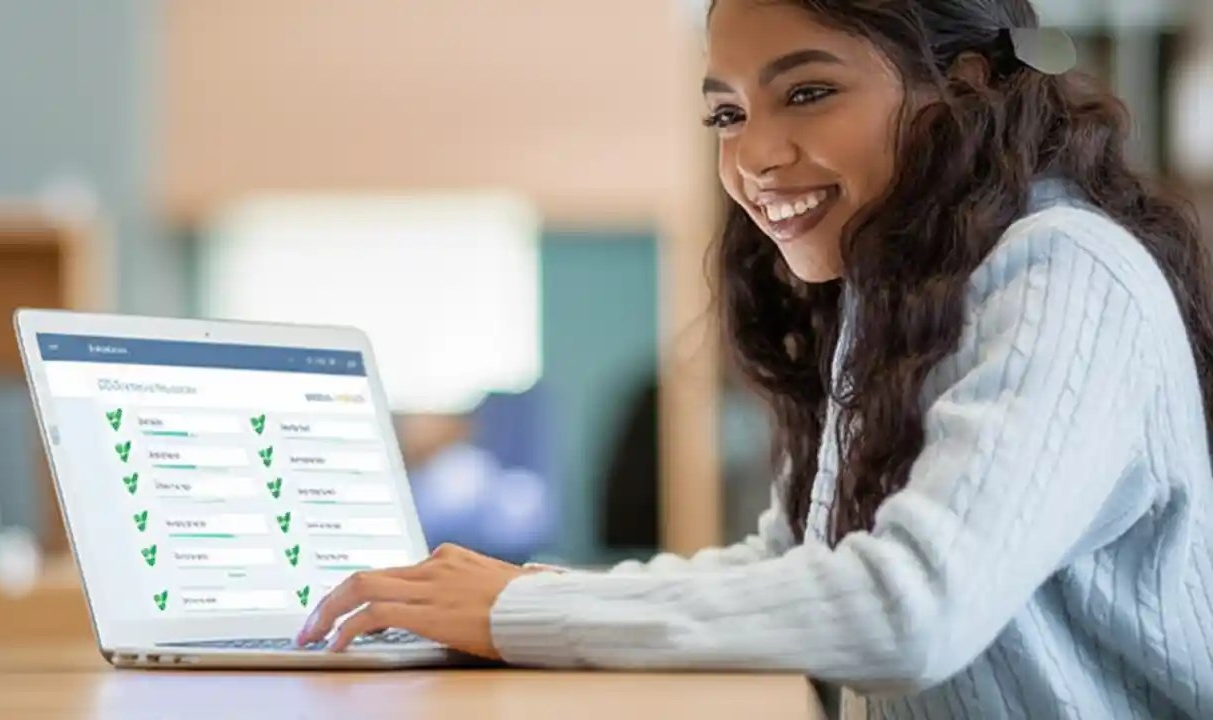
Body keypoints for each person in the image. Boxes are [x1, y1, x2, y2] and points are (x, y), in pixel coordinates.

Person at [296, 1, 1213, 717]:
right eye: (727, 113)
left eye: (807, 93)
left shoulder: (1062, 268)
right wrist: (523, 593)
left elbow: (909, 610)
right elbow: (784, 563)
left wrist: (515, 612)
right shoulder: (897, 294)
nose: (756, 156)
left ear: (963, 85)